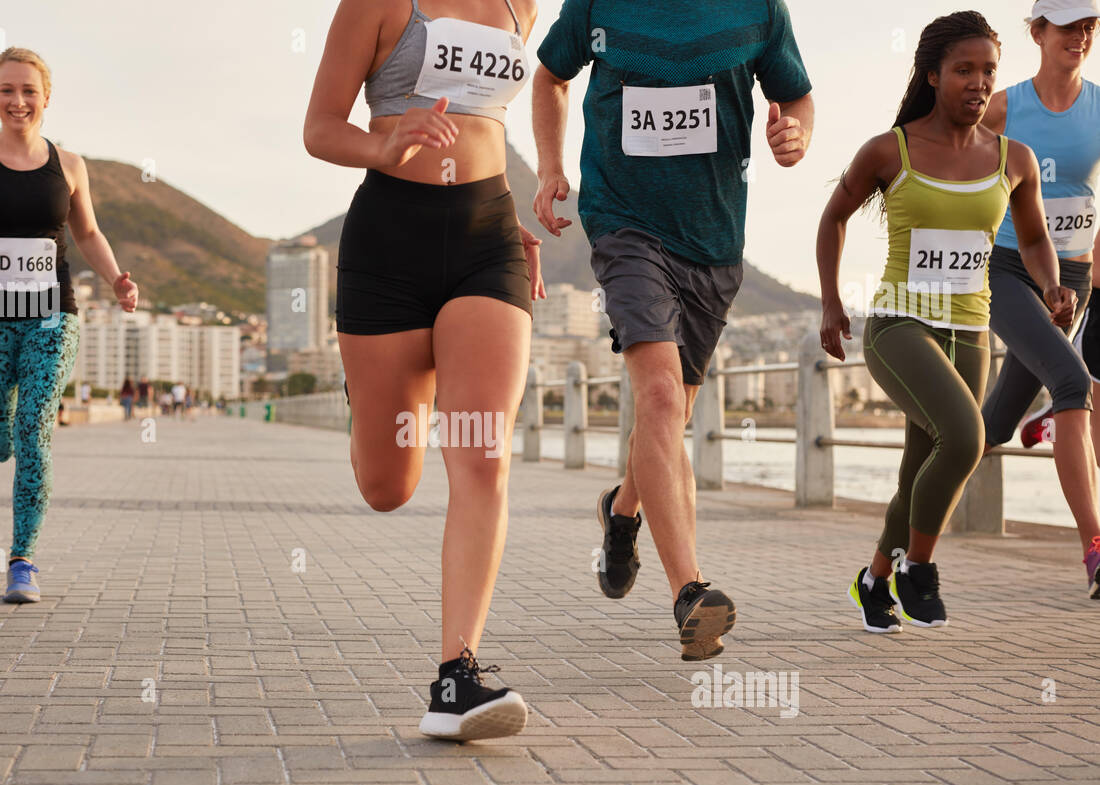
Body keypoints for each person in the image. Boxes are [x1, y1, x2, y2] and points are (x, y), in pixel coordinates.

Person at [532, 0, 813, 661]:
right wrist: (549, 167)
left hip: (715, 242)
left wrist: (793, 137)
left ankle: (622, 511)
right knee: (658, 397)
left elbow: (796, 98)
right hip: (624, 222)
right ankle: (690, 593)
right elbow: (550, 75)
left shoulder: (758, 11)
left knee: (673, 414)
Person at [305, 0, 545, 740]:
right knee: (388, 485)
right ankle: (382, 399)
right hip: (388, 245)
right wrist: (382, 146)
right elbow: (320, 127)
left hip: (488, 239)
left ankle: (456, 678)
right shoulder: (375, 5)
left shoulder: (521, 6)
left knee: (482, 457)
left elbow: (492, 121)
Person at [819, 11, 1076, 632]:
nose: (979, 82)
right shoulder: (891, 149)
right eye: (964, 70)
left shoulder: (1015, 158)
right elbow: (833, 218)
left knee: (919, 470)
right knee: (965, 439)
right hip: (899, 325)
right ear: (932, 75)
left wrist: (1050, 285)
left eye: (989, 70)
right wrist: (831, 303)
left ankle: (875, 578)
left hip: (969, 332)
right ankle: (920, 569)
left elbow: (1037, 238)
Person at [0, 47, 138, 604]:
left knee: (34, 431)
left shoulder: (71, 164)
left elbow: (87, 234)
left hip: (51, 315)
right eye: (8, 90)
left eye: (29, 91)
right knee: (0, 442)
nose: (19, 101)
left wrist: (115, 279)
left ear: (45, 98)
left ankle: (22, 561)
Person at [977, 0, 1100, 598]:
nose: (1080, 36)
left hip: (1071, 282)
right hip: (1006, 270)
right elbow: (955, 169)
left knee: (990, 426)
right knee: (1074, 382)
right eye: (1068, 26)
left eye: (1089, 26)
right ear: (1037, 32)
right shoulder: (1005, 107)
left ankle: (902, 520)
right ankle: (1097, 549)